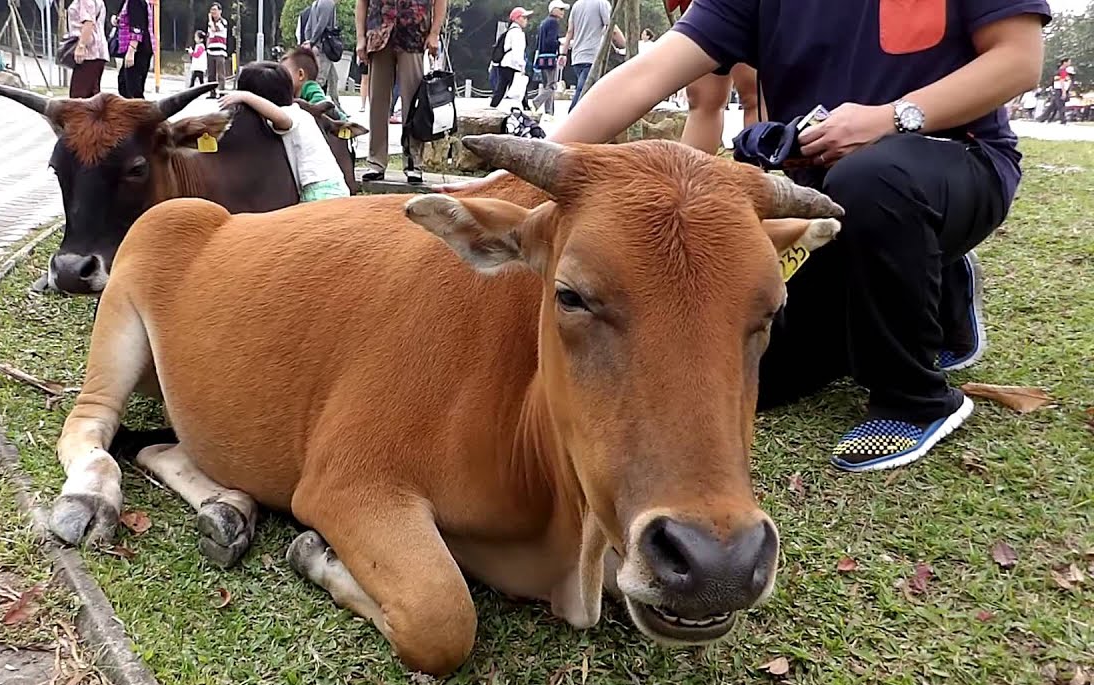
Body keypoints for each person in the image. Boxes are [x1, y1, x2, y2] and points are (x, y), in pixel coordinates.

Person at [445, 0, 1050, 473]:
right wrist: (533, 167)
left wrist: (890, 117)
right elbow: (650, 72)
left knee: (875, 178)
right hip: (829, 190)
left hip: (952, 159)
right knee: (753, 373)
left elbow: (1019, 61)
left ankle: (914, 398)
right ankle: (929, 291)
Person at [219, 61, 349, 202]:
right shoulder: (300, 112)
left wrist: (245, 97)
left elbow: (283, 119)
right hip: (329, 187)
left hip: (319, 191)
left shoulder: (290, 114)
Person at [356, 0, 446, 184]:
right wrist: (360, 38)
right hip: (379, 35)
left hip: (413, 35)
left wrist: (434, 33)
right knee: (378, 103)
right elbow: (362, 3)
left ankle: (413, 163)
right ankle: (376, 162)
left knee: (413, 104)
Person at [564, 0, 621, 110]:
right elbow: (611, 27)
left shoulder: (577, 5)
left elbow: (570, 31)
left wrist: (563, 53)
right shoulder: (601, 3)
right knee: (583, 91)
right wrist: (624, 44)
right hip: (592, 56)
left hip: (577, 57)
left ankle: (588, 121)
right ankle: (571, 119)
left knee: (590, 92)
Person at [282, 45, 344, 119]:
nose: (280, 77)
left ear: (301, 74)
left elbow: (320, 102)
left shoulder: (309, 87)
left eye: (284, 73)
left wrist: (308, 109)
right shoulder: (294, 93)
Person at [300, 0, 340, 107]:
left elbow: (308, 26)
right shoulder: (328, 3)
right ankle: (312, 106)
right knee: (320, 80)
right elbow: (322, 24)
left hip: (318, 45)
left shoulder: (317, 3)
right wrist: (312, 42)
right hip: (323, 47)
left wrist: (309, 40)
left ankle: (337, 107)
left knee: (333, 78)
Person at [64, 0, 106, 98]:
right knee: (92, 98)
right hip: (98, 52)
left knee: (79, 98)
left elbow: (88, 22)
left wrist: (81, 45)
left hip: (89, 53)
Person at [531, 0, 566, 117]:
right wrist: (560, 42)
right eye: (561, 9)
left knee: (547, 84)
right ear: (553, 10)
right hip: (550, 57)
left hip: (542, 57)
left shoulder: (544, 23)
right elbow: (550, 41)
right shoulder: (553, 23)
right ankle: (536, 102)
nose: (563, 12)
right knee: (551, 86)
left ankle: (549, 112)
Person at [490, 6, 529, 108]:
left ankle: (493, 106)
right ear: (516, 18)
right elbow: (518, 51)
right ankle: (526, 108)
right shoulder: (517, 33)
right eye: (523, 17)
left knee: (502, 88)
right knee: (518, 88)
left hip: (505, 63)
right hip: (513, 64)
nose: (526, 20)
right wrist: (522, 66)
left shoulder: (511, 31)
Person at [115, 0, 152, 98]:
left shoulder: (135, 1)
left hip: (138, 50)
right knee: (123, 84)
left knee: (133, 89)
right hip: (135, 49)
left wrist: (132, 50)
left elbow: (137, 26)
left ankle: (140, 111)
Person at [1037, 57, 1071, 124]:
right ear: (1064, 62)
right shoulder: (1063, 71)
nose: (1070, 63)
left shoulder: (1058, 71)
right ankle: (1063, 120)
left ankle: (1042, 118)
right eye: (1069, 62)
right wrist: (1064, 92)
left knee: (1053, 105)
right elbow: (1062, 81)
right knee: (1061, 105)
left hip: (1057, 89)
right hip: (1060, 90)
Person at [204, 3, 226, 99]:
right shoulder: (210, 24)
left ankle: (221, 92)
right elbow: (209, 36)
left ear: (220, 11)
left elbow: (214, 29)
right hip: (210, 51)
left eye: (215, 10)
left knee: (220, 74)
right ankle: (212, 93)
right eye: (212, 10)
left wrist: (210, 19)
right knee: (211, 74)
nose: (213, 12)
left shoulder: (223, 22)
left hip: (220, 52)